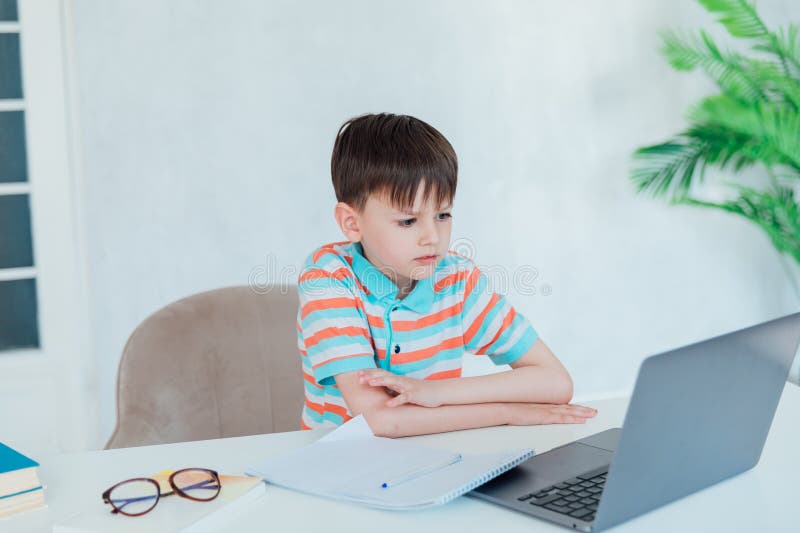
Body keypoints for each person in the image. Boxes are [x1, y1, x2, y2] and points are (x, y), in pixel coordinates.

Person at [296, 113, 596, 437]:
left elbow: (555, 382)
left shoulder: (456, 280)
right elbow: (381, 421)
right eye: (408, 221)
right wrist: (507, 412)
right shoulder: (327, 279)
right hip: (342, 465)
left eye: (442, 214)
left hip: (435, 453)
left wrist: (436, 394)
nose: (433, 237)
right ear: (352, 223)